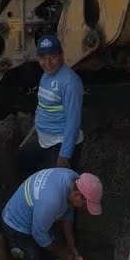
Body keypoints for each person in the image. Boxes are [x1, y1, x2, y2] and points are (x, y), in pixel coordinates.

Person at [18, 33, 84, 178]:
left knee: (57, 186)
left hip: (60, 144)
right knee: (23, 158)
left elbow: (73, 122)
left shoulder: (70, 82)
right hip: (45, 140)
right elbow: (44, 105)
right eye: (43, 58)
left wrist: (64, 155)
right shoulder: (46, 75)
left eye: (52, 57)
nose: (47, 63)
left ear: (61, 55)